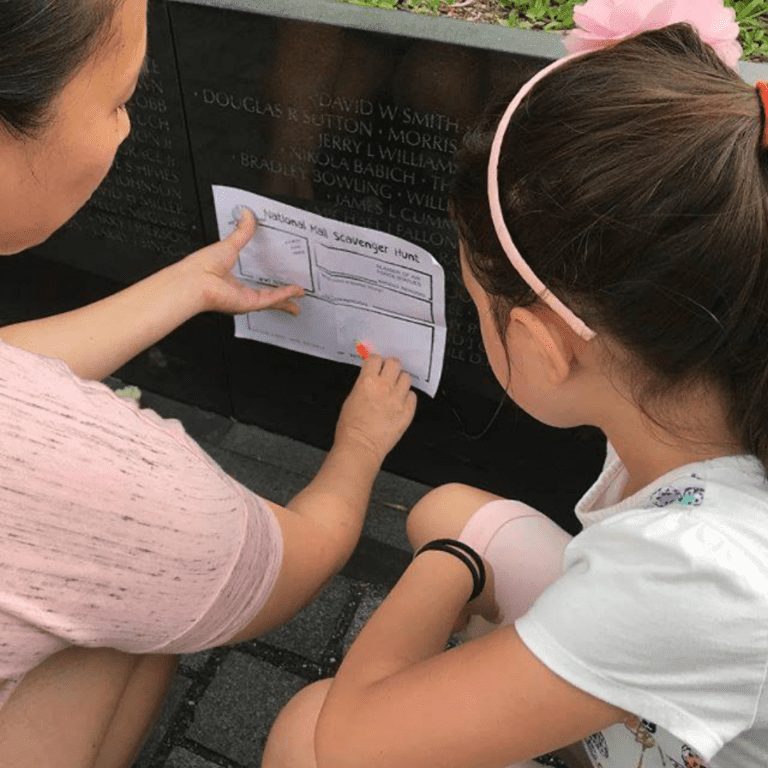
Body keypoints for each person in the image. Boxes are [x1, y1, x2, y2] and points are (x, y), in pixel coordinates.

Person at [263, 1, 768, 767]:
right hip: (669, 647)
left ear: (541, 344)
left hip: (674, 676)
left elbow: (353, 739)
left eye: (475, 301)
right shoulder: (708, 405)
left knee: (308, 731)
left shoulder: (697, 572)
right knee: (446, 509)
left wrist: (454, 570)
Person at [0, 1, 417, 766]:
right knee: (135, 619)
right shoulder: (92, 485)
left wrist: (185, 286)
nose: (129, 128)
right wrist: (358, 447)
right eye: (122, 100)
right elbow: (285, 567)